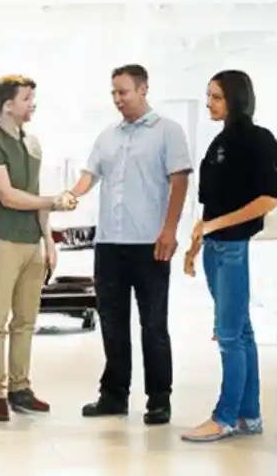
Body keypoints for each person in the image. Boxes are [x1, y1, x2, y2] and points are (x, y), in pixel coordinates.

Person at [69, 64, 193, 425]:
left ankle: (159, 399)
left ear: (143, 89)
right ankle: (113, 395)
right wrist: (68, 196)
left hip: (149, 243)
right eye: (113, 93)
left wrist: (170, 230)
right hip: (109, 243)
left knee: (153, 324)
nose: (117, 99)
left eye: (123, 92)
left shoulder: (168, 132)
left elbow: (179, 181)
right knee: (112, 322)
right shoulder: (108, 135)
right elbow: (89, 176)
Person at [180, 70, 277, 442]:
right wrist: (195, 245)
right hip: (214, 248)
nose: (209, 103)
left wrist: (215, 226)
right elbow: (209, 205)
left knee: (229, 337)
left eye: (217, 97)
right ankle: (249, 415)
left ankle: (224, 417)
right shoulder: (218, 143)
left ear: (236, 99)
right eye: (208, 96)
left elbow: (269, 199)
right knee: (242, 332)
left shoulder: (259, 140)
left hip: (233, 249)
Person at [0, 74, 76, 422]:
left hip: (32, 242)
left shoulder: (32, 144)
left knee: (26, 321)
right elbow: (8, 195)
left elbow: (33, 195)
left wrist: (48, 238)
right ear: (8, 105)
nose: (33, 104)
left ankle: (20, 388)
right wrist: (54, 201)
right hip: (0, 242)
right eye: (27, 98)